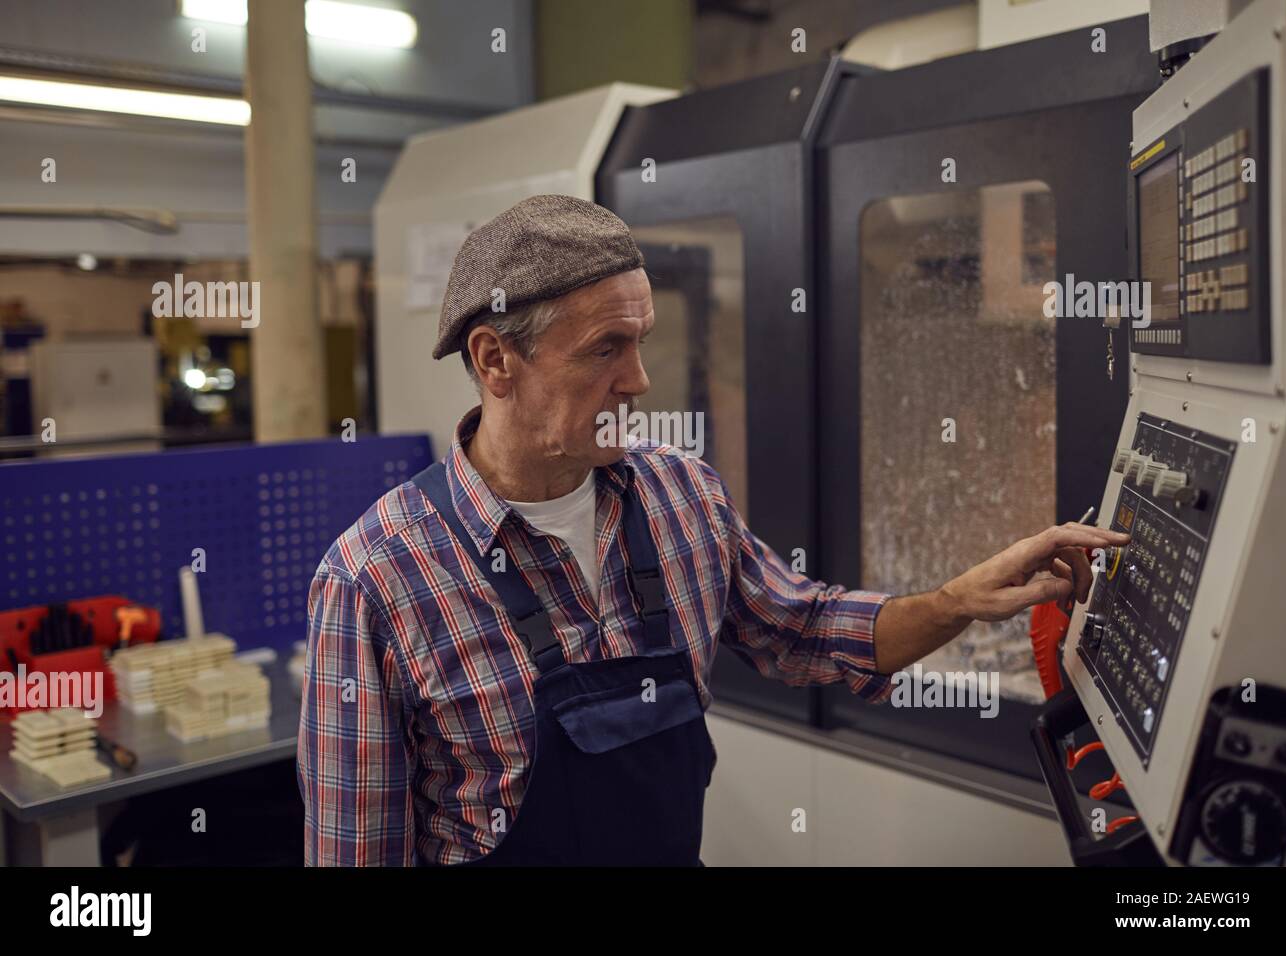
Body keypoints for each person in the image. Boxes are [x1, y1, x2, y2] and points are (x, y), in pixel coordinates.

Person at [297, 194, 1128, 866]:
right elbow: (356, 853)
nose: (640, 379)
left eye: (643, 341)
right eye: (604, 349)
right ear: (494, 360)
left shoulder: (679, 498)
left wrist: (961, 599)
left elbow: (804, 628)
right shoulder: (377, 579)